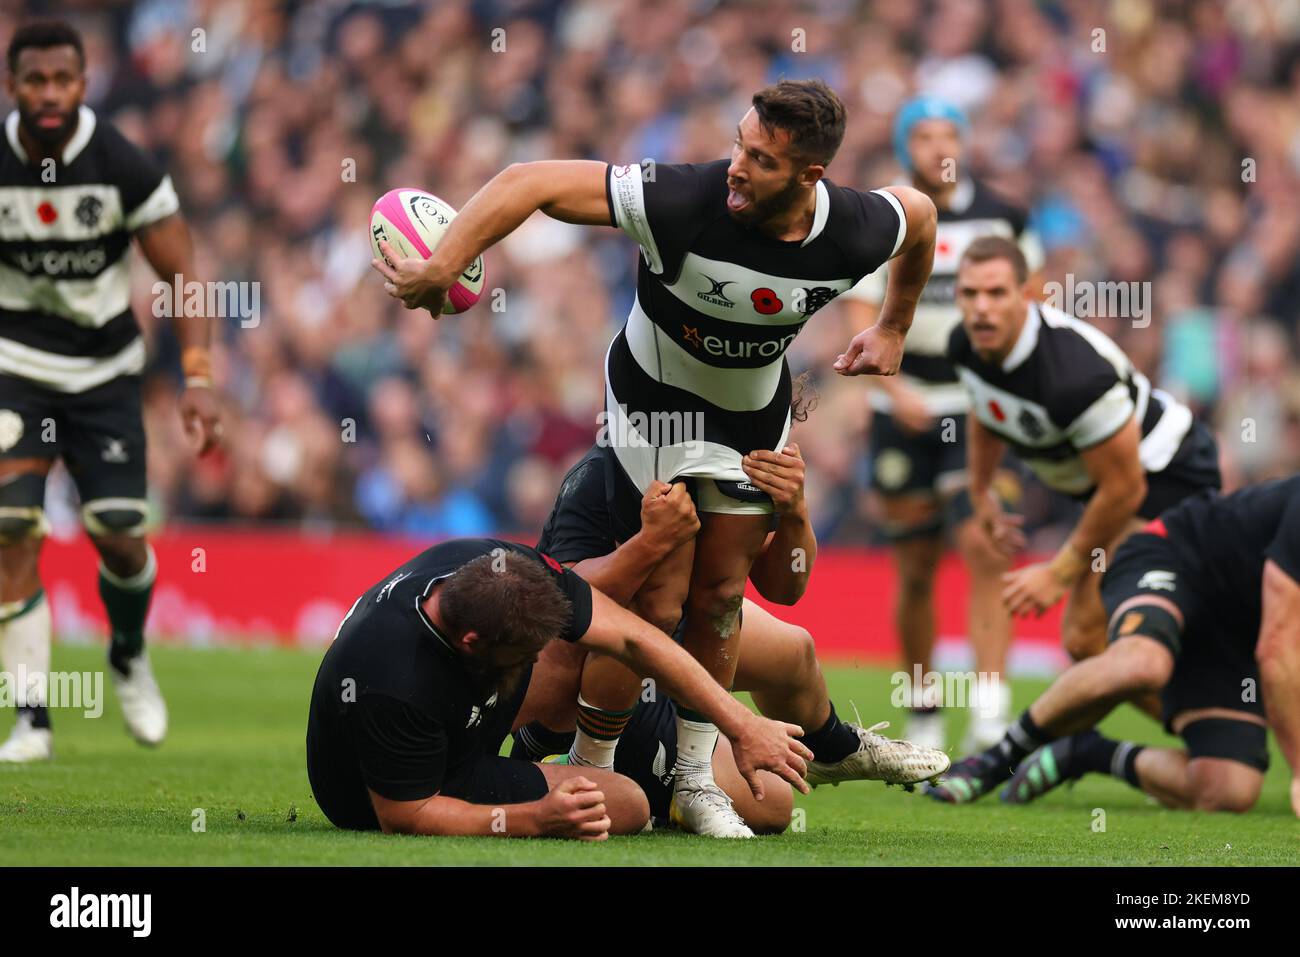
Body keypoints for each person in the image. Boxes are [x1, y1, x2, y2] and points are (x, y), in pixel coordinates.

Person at [373, 78, 936, 833]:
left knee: (722, 594)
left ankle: (697, 779)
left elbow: (921, 217)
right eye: (739, 144)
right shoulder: (682, 200)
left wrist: (895, 326)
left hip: (751, 415)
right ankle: (595, 766)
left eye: (761, 160)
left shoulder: (857, 229)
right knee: (660, 593)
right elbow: (529, 181)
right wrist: (447, 260)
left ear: (810, 176)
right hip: (651, 406)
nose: (737, 167)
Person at [510, 437, 950, 833]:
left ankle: (832, 748)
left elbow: (786, 589)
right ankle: (576, 759)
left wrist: (795, 511)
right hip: (592, 672)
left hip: (674, 647)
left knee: (792, 664)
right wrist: (649, 544)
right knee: (642, 619)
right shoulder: (605, 471)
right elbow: (563, 604)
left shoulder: (740, 466)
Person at [0, 20, 222, 761]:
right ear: (12, 85)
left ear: (83, 83)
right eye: (35, 80)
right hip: (16, 368)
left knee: (121, 536)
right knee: (10, 526)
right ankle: (32, 717)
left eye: (63, 79)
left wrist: (197, 376)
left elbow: (183, 274)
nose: (50, 93)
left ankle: (127, 652)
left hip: (104, 375)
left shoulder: (122, 163)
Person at [305, 537, 813, 839]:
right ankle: (556, 756)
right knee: (626, 805)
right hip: (415, 782)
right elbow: (406, 815)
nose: (535, 661)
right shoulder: (391, 682)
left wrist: (740, 723)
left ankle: (552, 742)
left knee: (772, 804)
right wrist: (536, 818)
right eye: (524, 656)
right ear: (471, 643)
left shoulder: (498, 566)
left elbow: (633, 638)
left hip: (471, 704)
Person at [840, 97, 1044, 751]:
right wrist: (893, 391)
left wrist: (1003, 383)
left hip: (978, 405)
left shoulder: (1005, 215)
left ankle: (989, 710)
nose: (938, 146)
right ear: (906, 146)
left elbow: (1032, 305)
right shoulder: (884, 215)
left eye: (949, 133)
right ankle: (923, 705)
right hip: (902, 410)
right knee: (916, 566)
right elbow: (859, 314)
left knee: (986, 545)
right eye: (924, 135)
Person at [927, 476, 1300, 819]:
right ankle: (995, 760)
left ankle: (1086, 752)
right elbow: (1278, 650)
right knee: (1143, 664)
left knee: (1228, 789)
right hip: (1176, 556)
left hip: (1237, 628)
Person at [947, 237, 1220, 674]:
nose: (981, 308)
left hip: (1167, 474)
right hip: (1106, 486)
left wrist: (1058, 573)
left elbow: (1124, 489)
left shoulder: (1074, 378)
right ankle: (1205, 707)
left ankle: (1209, 710)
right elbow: (986, 409)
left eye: (996, 293)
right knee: (1092, 644)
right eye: (970, 293)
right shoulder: (965, 343)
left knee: (1085, 637)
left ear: (1028, 294)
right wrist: (980, 491)